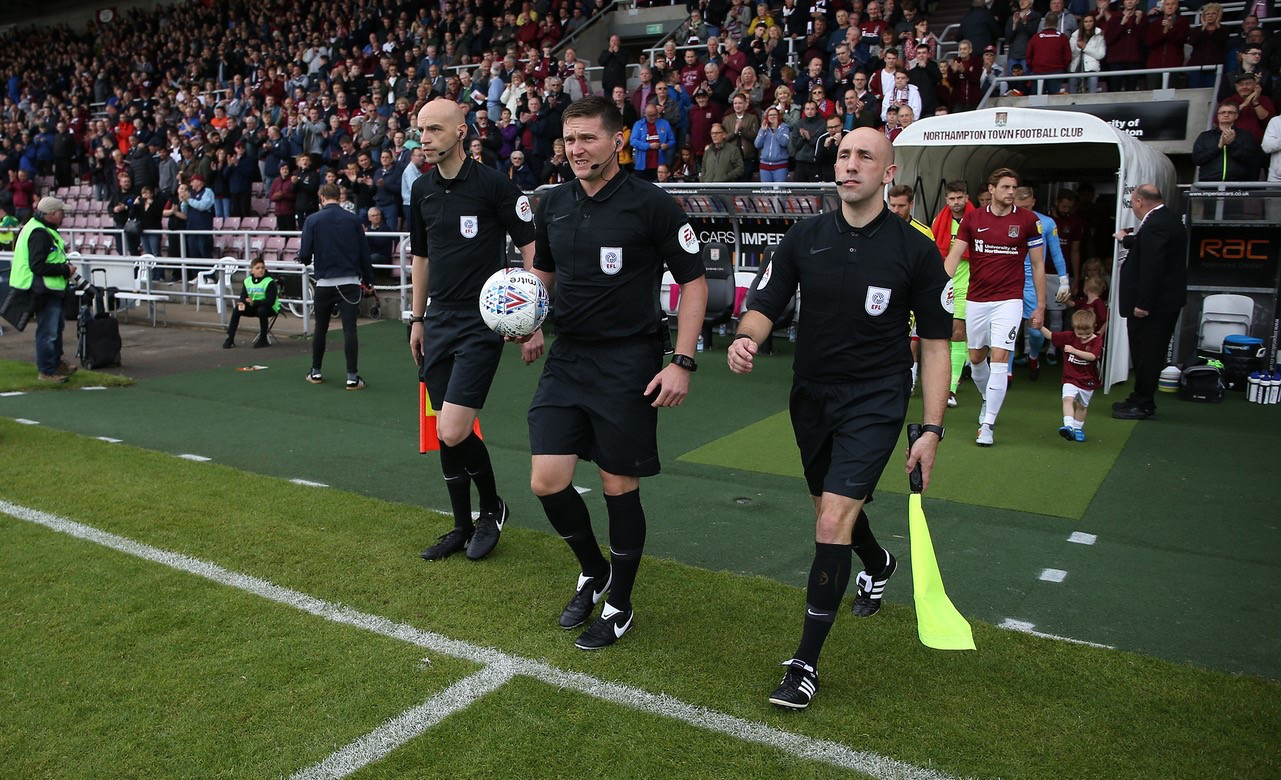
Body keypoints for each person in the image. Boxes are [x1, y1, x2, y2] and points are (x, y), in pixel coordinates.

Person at [728, 127, 950, 711]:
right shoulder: (805, 236)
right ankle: (877, 561)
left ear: (888, 172)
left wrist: (931, 428)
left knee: (830, 522)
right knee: (831, 507)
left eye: (864, 157)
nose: (849, 165)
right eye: (844, 155)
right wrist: (746, 340)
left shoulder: (916, 249)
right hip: (811, 398)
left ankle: (804, 664)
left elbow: (934, 343)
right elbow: (763, 307)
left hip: (875, 400)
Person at [527, 96, 708, 651]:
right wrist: (530, 318)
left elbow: (694, 282)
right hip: (568, 358)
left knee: (616, 485)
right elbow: (545, 274)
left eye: (588, 138)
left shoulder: (651, 204)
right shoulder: (552, 202)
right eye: (570, 139)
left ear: (618, 140)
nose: (577, 150)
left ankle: (621, 604)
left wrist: (681, 361)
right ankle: (593, 569)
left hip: (629, 361)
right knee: (546, 480)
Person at [409, 98, 539, 563]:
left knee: (453, 426)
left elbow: (531, 247)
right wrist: (417, 317)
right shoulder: (421, 189)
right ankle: (461, 525)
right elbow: (420, 258)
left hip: (482, 323)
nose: (424, 137)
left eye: (435, 129)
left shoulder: (493, 185)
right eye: (421, 129)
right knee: (446, 431)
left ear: (461, 132)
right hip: (437, 321)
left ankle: (492, 508)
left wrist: (535, 317)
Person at [944, 168, 1045, 447]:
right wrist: (938, 287)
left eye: (1014, 187)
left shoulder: (1028, 220)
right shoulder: (973, 218)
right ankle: (989, 397)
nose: (1011, 192)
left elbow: (1038, 265)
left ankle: (987, 424)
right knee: (976, 358)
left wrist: (1040, 306)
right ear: (991, 189)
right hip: (977, 299)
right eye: (1005, 187)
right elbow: (954, 256)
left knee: (1000, 358)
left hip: (1010, 300)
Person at [1110, 184, 1187, 420]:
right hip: (1161, 303)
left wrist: (1143, 304)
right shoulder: (1165, 220)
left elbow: (1153, 266)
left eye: (1132, 203)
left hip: (1153, 306)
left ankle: (1143, 403)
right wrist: (1128, 239)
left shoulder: (1156, 224)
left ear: (1139, 202)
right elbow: (1151, 248)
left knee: (1147, 353)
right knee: (1146, 352)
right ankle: (1139, 397)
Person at [297, 183, 374, 390]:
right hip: (349, 281)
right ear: (339, 197)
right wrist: (369, 281)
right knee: (350, 330)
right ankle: (351, 376)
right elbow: (364, 253)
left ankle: (316, 371)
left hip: (324, 282)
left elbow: (304, 254)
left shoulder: (312, 220)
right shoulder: (353, 219)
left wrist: (305, 259)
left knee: (320, 328)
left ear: (322, 197)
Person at [8, 197, 78, 382]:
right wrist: (65, 269)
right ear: (52, 214)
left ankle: (55, 363)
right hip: (43, 289)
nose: (64, 215)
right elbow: (37, 266)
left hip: (48, 288)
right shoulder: (39, 233)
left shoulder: (38, 228)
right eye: (61, 212)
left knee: (55, 327)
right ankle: (47, 371)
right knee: (48, 331)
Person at [1012, 188, 1070, 380]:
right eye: (1019, 207)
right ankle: (1007, 372)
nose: (1024, 211)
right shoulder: (1007, 220)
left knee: (1036, 330)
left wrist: (1064, 281)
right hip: (1009, 280)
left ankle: (1034, 355)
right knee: (1007, 329)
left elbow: (1056, 252)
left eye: (1027, 207)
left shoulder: (1046, 223)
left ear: (1034, 202)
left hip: (1033, 283)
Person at [931, 180, 976, 408]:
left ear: (967, 198)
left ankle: (951, 389)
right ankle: (957, 369)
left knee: (958, 333)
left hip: (967, 286)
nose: (956, 202)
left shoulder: (977, 220)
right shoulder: (939, 222)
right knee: (943, 335)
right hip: (943, 284)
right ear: (946, 200)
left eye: (960, 198)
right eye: (952, 198)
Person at [1038, 308, 1101, 442]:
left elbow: (1092, 356)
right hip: (1070, 377)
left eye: (1088, 333)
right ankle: (1068, 426)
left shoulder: (1096, 340)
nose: (1083, 337)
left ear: (1094, 327)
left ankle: (1078, 428)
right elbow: (1050, 335)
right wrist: (1040, 327)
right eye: (1080, 333)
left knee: (1082, 406)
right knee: (1067, 399)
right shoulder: (1069, 336)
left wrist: (1074, 350)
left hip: (1087, 379)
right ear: (1074, 328)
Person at [1192, 103, 1263, 183]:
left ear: (1236, 116)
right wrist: (1218, 147)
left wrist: (1231, 144)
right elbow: (1197, 159)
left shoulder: (1245, 135)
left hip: (1237, 184)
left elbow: (1249, 159)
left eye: (1230, 112)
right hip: (1209, 184)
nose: (1226, 115)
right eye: (1223, 112)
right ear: (1217, 116)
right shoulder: (1205, 136)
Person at [223, 258, 279, 349]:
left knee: (262, 310)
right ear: (252, 270)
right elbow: (243, 295)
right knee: (237, 310)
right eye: (258, 268)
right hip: (254, 306)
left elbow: (270, 301)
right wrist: (242, 302)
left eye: (262, 268)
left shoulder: (270, 282)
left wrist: (255, 302)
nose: (261, 270)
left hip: (270, 308)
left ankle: (263, 339)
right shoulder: (247, 281)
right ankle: (230, 339)